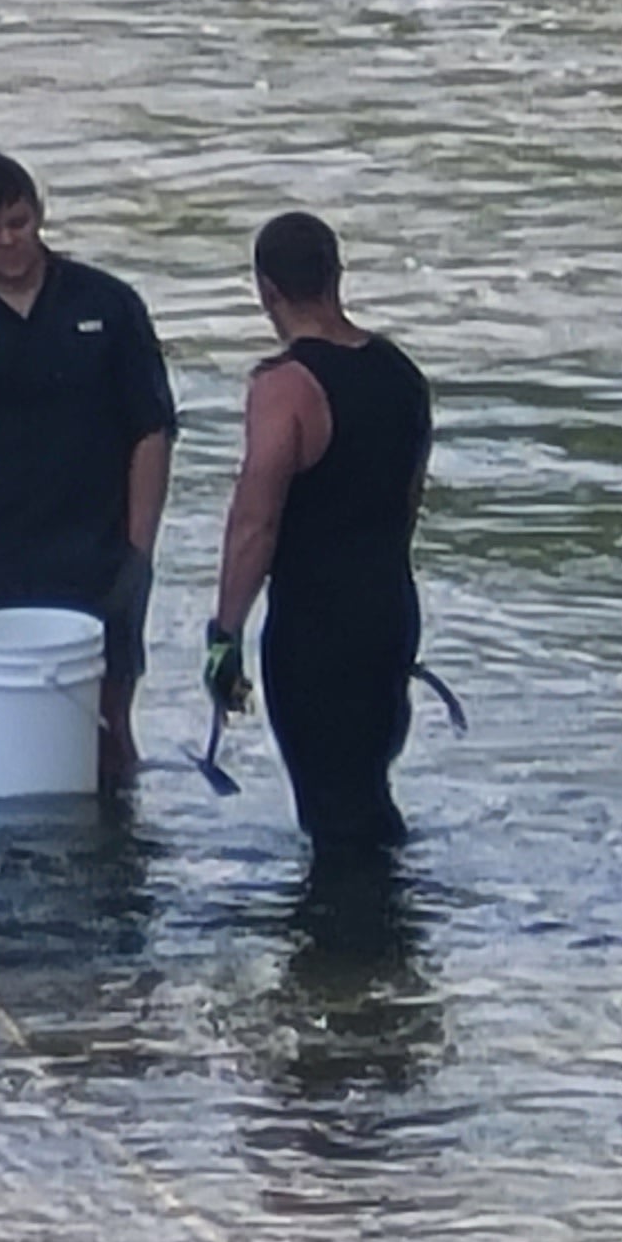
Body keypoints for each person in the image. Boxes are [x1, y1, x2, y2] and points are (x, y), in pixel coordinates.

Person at [0, 150, 177, 792]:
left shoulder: (110, 306)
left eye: (18, 222)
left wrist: (138, 549)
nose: (8, 240)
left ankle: (118, 872)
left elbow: (151, 431)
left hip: (100, 553)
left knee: (108, 739)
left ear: (38, 213)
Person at [202, 210, 434, 850]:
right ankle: (385, 940)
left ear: (266, 290)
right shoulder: (400, 374)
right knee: (366, 787)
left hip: (316, 626)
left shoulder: (285, 388)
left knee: (332, 808)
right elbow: (408, 500)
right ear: (337, 275)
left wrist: (224, 635)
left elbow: (257, 521)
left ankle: (347, 942)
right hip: (389, 607)